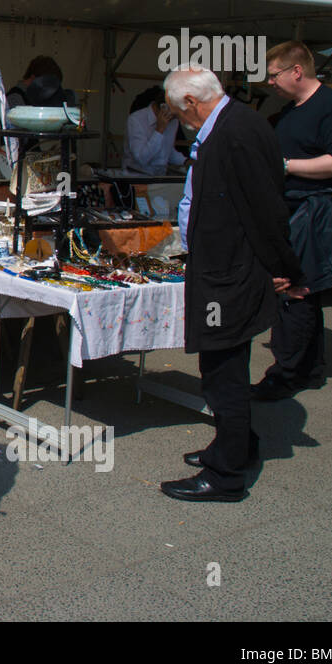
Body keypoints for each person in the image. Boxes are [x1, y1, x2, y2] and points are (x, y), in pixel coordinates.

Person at [163, 65, 302, 502]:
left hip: (229, 274)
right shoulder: (230, 124)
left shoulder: (236, 130)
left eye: (177, 111)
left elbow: (266, 207)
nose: (179, 120)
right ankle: (236, 446)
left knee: (224, 370)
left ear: (190, 102)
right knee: (220, 365)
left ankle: (226, 476)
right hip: (219, 268)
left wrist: (288, 270)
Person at [255, 41, 332, 400]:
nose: (269, 82)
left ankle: (285, 374)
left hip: (316, 213)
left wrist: (285, 166)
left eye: (273, 75)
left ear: (296, 71)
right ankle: (308, 369)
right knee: (302, 292)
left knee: (292, 289)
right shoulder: (290, 110)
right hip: (294, 209)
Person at [123, 85, 188, 218]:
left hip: (160, 180)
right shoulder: (136, 120)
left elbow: (168, 152)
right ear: (164, 107)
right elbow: (141, 157)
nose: (177, 118)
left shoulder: (173, 122)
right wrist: (159, 130)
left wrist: (186, 161)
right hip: (137, 181)